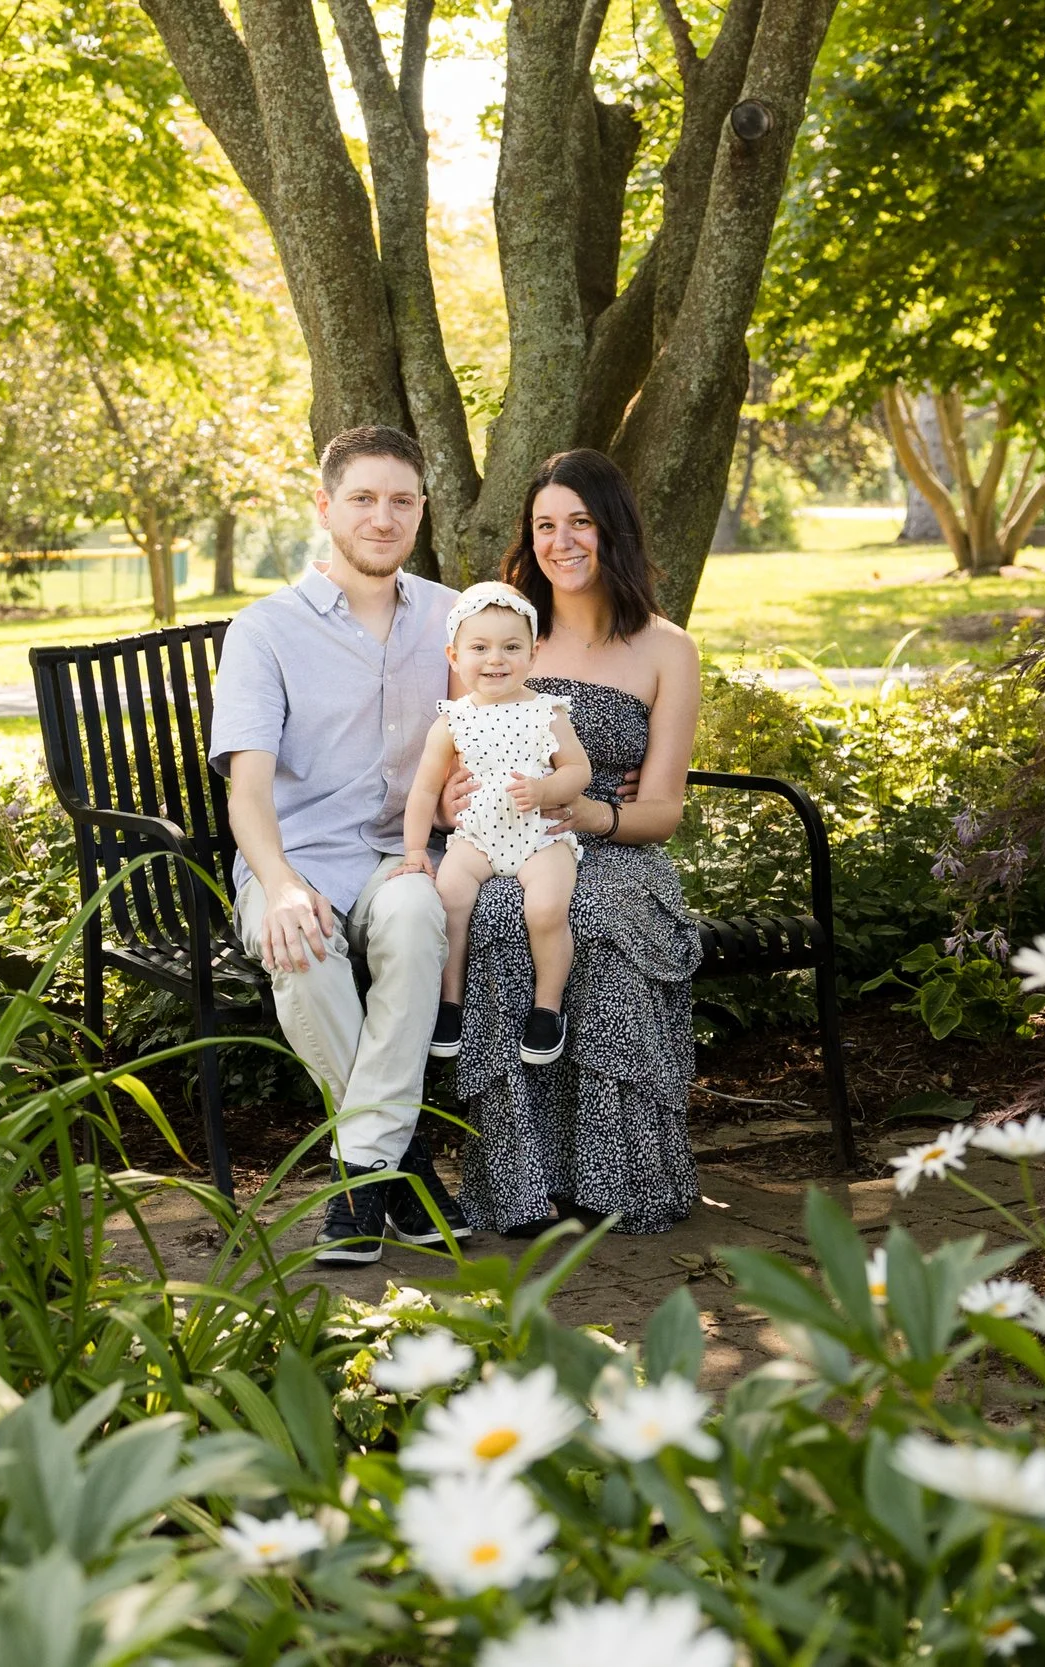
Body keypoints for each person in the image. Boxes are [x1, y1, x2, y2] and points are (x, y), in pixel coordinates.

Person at [206, 425, 473, 1265]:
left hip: (401, 856)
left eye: (401, 501)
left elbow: (484, 732)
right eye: (362, 498)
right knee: (306, 946)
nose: (382, 517)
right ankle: (401, 1166)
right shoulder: (266, 631)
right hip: (297, 861)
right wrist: (279, 884)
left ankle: (360, 1176)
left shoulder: (450, 615)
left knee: (413, 919)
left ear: (421, 511)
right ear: (326, 509)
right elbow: (246, 792)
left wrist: (469, 781)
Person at [447, 449, 705, 1236]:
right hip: (507, 844)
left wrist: (600, 816)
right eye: (545, 525)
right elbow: (461, 757)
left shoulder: (666, 649)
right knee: (492, 915)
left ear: (612, 531)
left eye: (580, 523)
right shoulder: (501, 641)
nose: (561, 542)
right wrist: (454, 794)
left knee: (593, 915)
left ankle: (612, 1177)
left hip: (619, 853)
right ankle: (520, 1184)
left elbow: (661, 809)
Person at [395, 582, 592, 1066]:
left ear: (533, 653)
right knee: (449, 898)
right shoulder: (452, 721)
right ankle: (450, 1002)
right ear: (454, 655)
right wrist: (415, 849)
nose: (495, 659)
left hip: (540, 837)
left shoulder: (548, 712)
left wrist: (546, 791)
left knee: (545, 908)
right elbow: (423, 789)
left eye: (511, 647)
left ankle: (547, 1008)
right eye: (479, 648)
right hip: (478, 837)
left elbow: (578, 770)